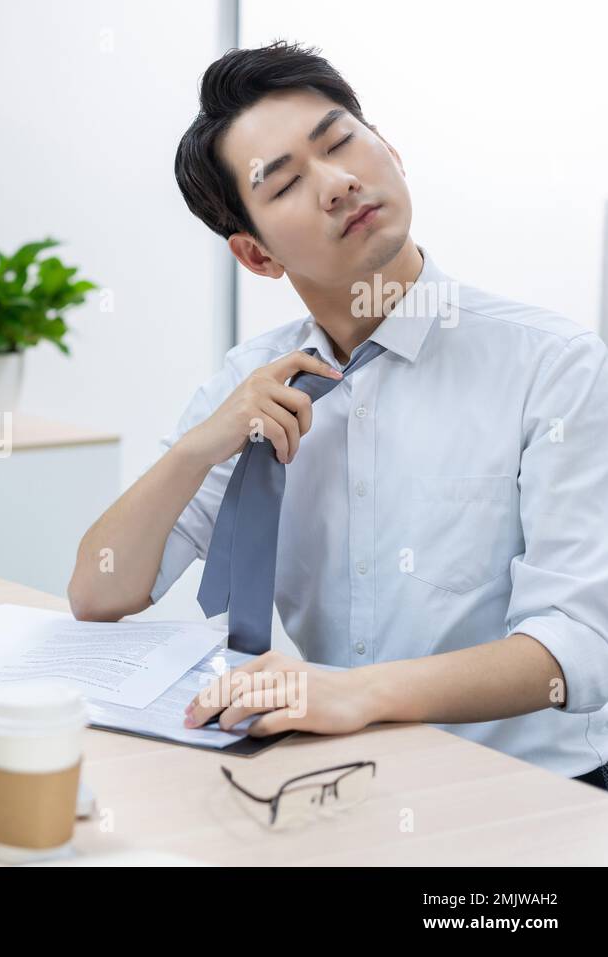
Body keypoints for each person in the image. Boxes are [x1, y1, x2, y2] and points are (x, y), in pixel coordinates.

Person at [67, 40, 608, 788]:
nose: (338, 183)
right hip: (342, 783)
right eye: (284, 183)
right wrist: (199, 446)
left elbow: (579, 643)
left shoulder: (555, 365)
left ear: (387, 146)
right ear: (256, 255)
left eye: (340, 142)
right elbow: (99, 591)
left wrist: (352, 694)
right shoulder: (254, 380)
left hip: (528, 794)